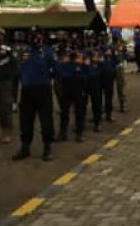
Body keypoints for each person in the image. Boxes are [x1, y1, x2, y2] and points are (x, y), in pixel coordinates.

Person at [15, 32, 58, 161]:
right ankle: (25, 147)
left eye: (37, 35)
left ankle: (47, 147)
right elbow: (19, 68)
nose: (34, 38)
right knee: (25, 120)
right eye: (32, 35)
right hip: (27, 90)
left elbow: (56, 68)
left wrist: (47, 77)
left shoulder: (48, 51)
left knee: (46, 120)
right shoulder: (24, 51)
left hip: (43, 89)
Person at [55, 47, 87, 142]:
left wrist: (82, 62)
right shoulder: (65, 62)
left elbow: (86, 73)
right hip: (66, 88)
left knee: (79, 111)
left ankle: (79, 133)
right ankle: (62, 133)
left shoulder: (81, 61)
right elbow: (58, 71)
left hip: (78, 87)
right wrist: (63, 61)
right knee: (64, 111)